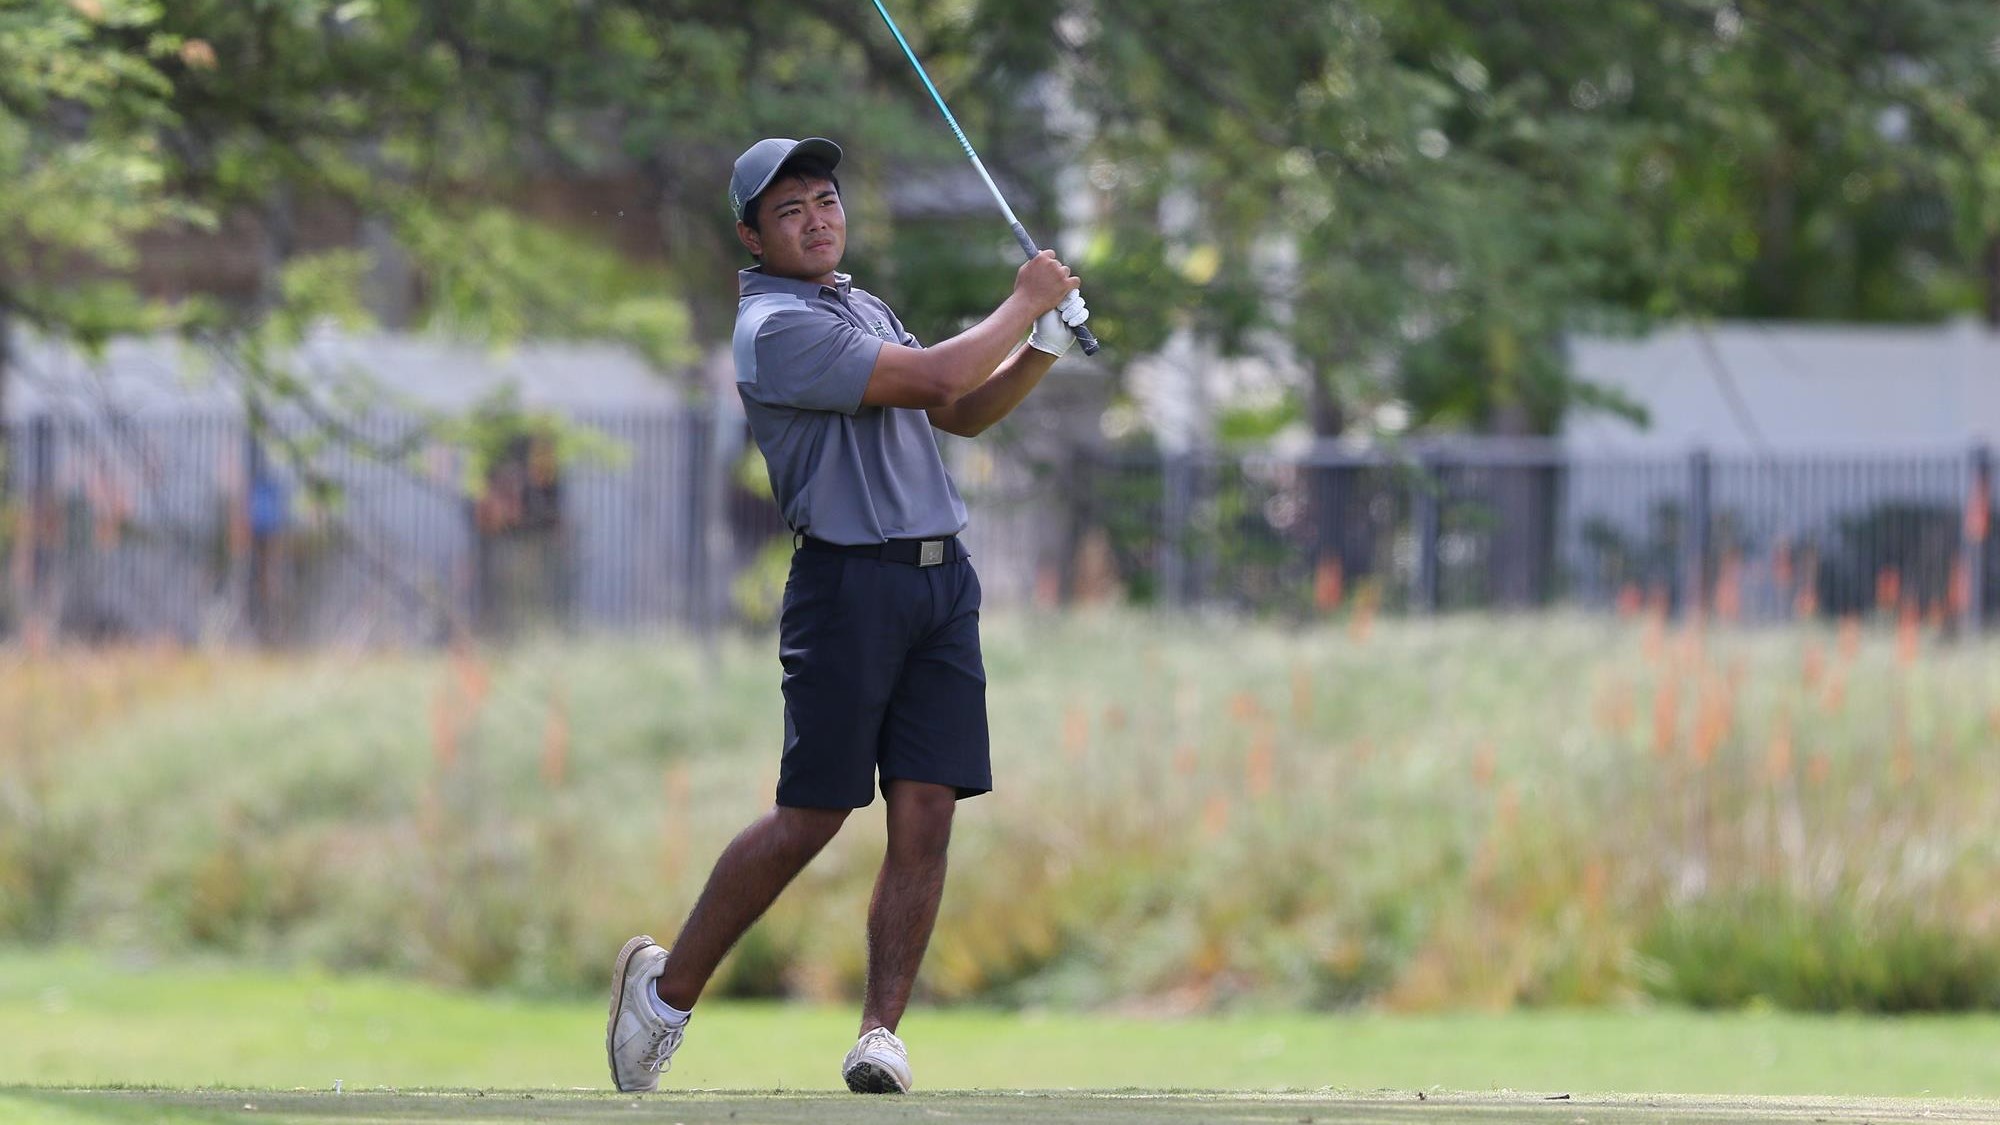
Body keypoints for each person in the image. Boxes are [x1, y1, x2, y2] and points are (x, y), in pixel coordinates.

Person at [605, 136, 1088, 1095]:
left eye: (824, 199)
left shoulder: (857, 303)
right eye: (790, 211)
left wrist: (1043, 345)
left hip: (939, 582)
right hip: (846, 587)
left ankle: (880, 1036)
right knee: (812, 815)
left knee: (927, 809)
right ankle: (664, 997)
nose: (817, 219)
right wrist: (1027, 298)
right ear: (751, 236)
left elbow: (956, 414)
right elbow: (941, 378)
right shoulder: (776, 329)